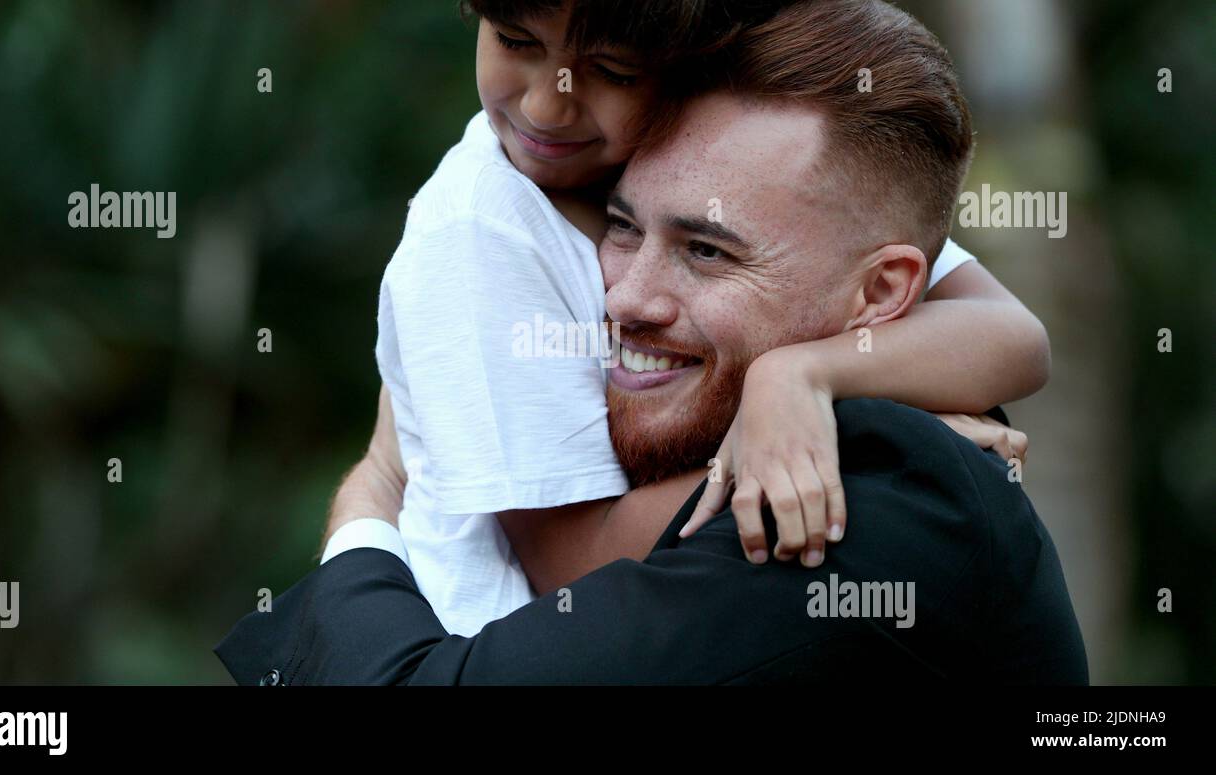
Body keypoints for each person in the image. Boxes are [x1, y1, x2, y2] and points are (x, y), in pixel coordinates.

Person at [216, 0, 1087, 684]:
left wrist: (819, 385)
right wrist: (380, 485)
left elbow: (1017, 334)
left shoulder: (868, 500)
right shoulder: (487, 222)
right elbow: (565, 552)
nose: (622, 299)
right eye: (622, 228)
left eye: (708, 251)